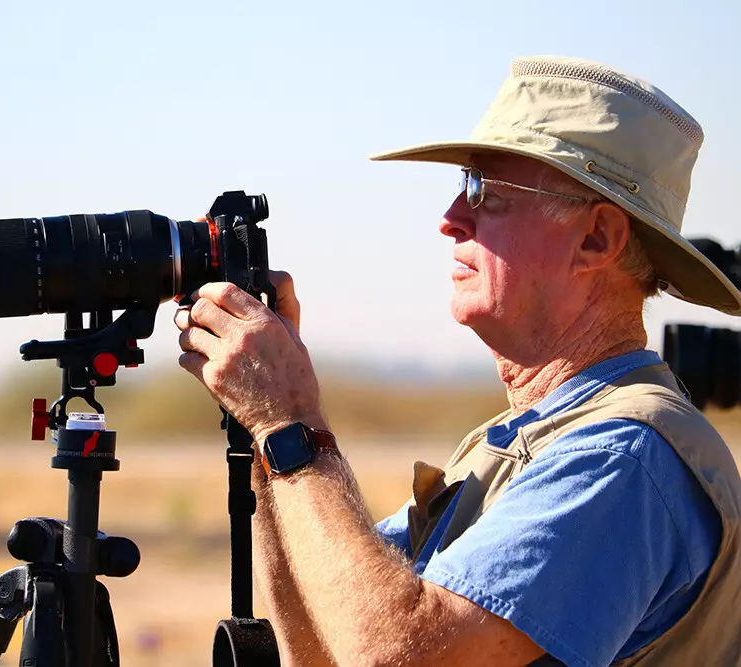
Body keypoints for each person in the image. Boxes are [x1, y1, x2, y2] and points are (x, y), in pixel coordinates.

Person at [174, 55, 741, 666]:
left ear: (596, 239)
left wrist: (287, 421)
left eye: (486, 192)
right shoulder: (530, 440)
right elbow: (323, 644)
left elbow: (400, 654)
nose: (450, 219)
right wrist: (266, 439)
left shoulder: (622, 455)